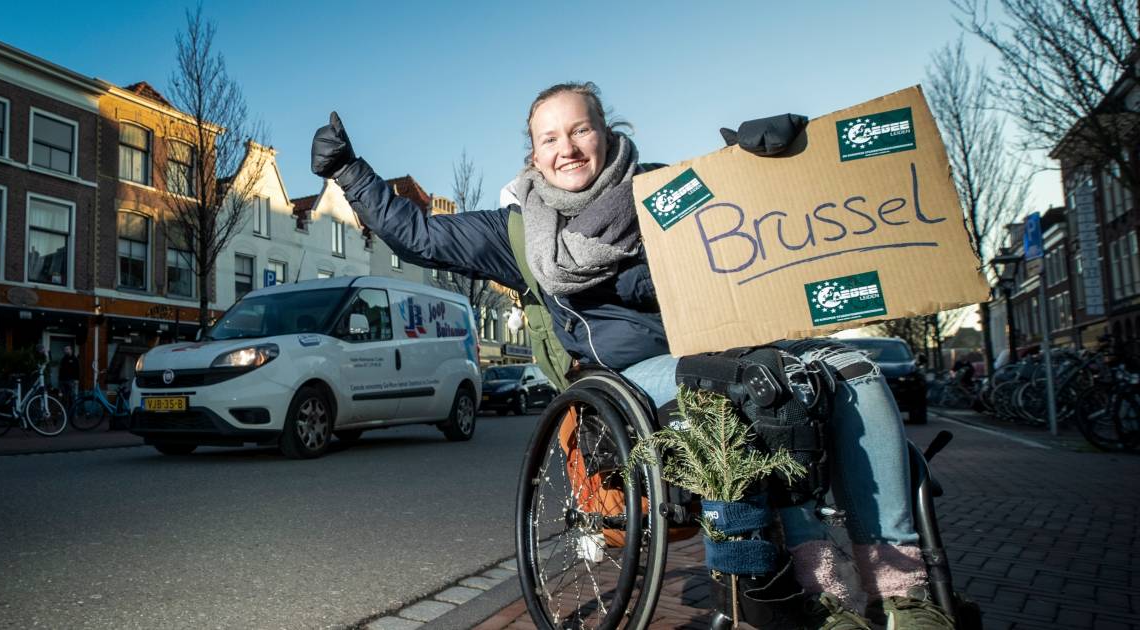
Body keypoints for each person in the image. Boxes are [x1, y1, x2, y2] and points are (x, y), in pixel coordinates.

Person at [311, 82, 953, 628]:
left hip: (734, 345)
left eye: (580, 130)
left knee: (854, 373)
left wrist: (773, 160)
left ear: (607, 134)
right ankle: (817, 593)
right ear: (532, 155)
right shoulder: (516, 233)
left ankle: (905, 593)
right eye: (549, 138)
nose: (566, 148)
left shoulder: (666, 194)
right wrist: (348, 170)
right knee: (741, 387)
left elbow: (757, 218)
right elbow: (417, 233)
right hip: (634, 377)